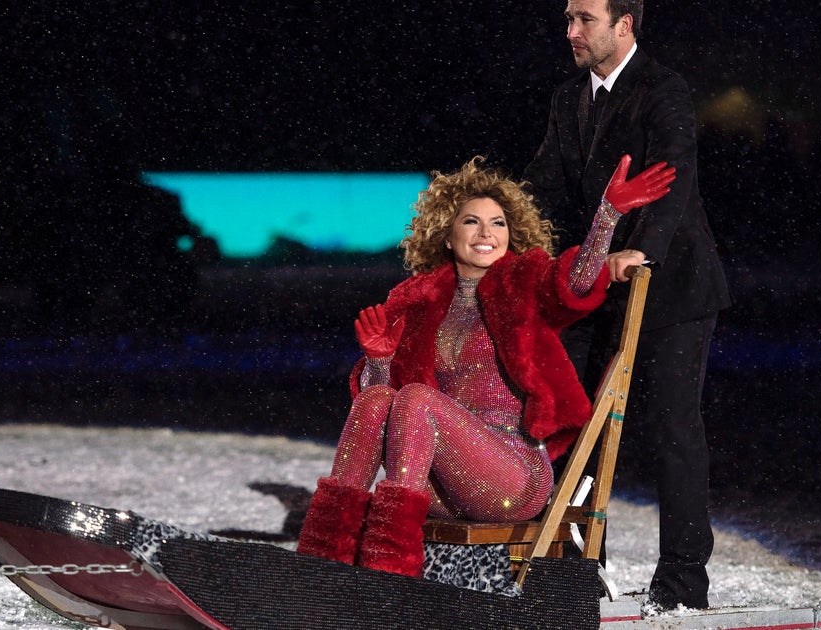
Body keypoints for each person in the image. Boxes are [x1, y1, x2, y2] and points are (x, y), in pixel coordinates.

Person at [295, 155, 675, 578]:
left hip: (513, 474)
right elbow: (384, 414)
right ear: (447, 234)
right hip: (439, 481)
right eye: (471, 222)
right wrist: (381, 362)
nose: (486, 233)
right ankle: (321, 559)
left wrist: (608, 215)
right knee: (378, 398)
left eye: (498, 223)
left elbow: (574, 283)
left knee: (419, 399)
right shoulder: (416, 299)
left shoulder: (522, 282)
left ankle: (390, 568)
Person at [522, 0, 732, 611]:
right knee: (578, 426)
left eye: (584, 19)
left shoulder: (662, 90)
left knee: (672, 429)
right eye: (567, 19)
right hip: (596, 286)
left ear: (624, 24)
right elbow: (543, 185)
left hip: (671, 286)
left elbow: (674, 178)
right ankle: (584, 570)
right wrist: (498, 223)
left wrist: (639, 252)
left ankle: (684, 583)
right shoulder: (569, 97)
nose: (570, 31)